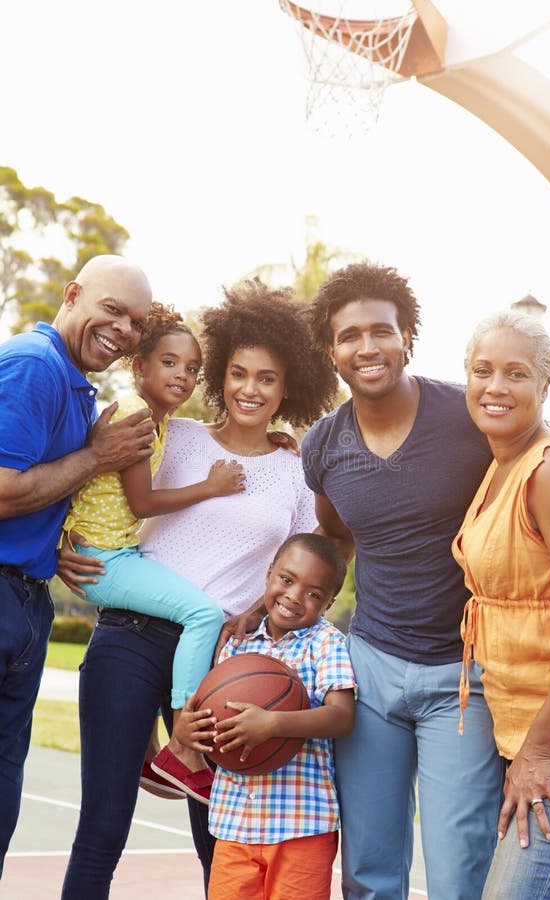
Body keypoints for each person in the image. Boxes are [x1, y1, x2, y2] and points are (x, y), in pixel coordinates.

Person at [57, 278, 338, 898]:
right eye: (238, 373)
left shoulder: (295, 470)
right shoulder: (170, 433)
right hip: (129, 642)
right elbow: (91, 488)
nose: (250, 389)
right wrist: (60, 542)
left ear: (287, 388)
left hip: (221, 662)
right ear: (220, 375)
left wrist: (260, 608)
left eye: (267, 379)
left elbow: (308, 566)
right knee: (104, 824)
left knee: (216, 830)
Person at [298, 262, 505, 900]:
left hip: (461, 677)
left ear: (407, 336)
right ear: (330, 350)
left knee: (458, 873)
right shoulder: (323, 448)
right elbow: (335, 536)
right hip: (371, 673)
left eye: (381, 331)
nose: (367, 347)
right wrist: (278, 603)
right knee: (369, 872)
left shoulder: (469, 418)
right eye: (350, 335)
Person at [0, 254, 154, 875]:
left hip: (27, 600)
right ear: (72, 295)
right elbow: (5, 488)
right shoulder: (33, 367)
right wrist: (97, 457)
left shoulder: (72, 383)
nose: (122, 329)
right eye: (111, 309)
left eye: (136, 321)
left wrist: (54, 543)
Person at [62, 301, 245, 802]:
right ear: (139, 364)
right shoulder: (136, 419)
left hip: (119, 553)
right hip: (102, 559)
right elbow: (142, 502)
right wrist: (211, 487)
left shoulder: (162, 422)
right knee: (203, 613)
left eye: (192, 369)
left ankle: (148, 750)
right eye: (170, 363)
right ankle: (184, 750)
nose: (183, 376)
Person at [453, 310, 550, 900]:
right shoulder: (500, 466)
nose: (495, 387)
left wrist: (537, 753)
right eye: (482, 370)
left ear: (545, 384)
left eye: (516, 373)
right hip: (529, 728)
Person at [180, 532, 355, 900]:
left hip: (301, 826)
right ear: (269, 573)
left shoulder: (326, 643)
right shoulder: (237, 646)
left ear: (329, 602)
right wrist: (190, 729)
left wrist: (273, 724)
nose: (294, 597)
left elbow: (341, 717)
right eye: (287, 580)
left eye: (313, 593)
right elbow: (209, 715)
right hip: (234, 824)